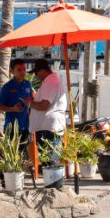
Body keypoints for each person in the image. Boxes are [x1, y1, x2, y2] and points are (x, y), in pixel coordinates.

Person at [28, 58, 68, 187]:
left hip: (49, 127)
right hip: (48, 125)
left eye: (37, 73)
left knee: (50, 159)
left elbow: (45, 105)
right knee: (50, 158)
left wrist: (30, 103)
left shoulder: (51, 82)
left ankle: (53, 186)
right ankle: (52, 185)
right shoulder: (51, 81)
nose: (36, 76)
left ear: (43, 71)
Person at [0, 60, 33, 149]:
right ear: (12, 71)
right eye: (19, 70)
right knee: (13, 154)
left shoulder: (28, 84)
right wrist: (13, 109)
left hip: (26, 127)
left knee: (23, 153)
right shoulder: (7, 87)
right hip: (11, 128)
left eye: (24, 69)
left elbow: (31, 101)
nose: (23, 72)